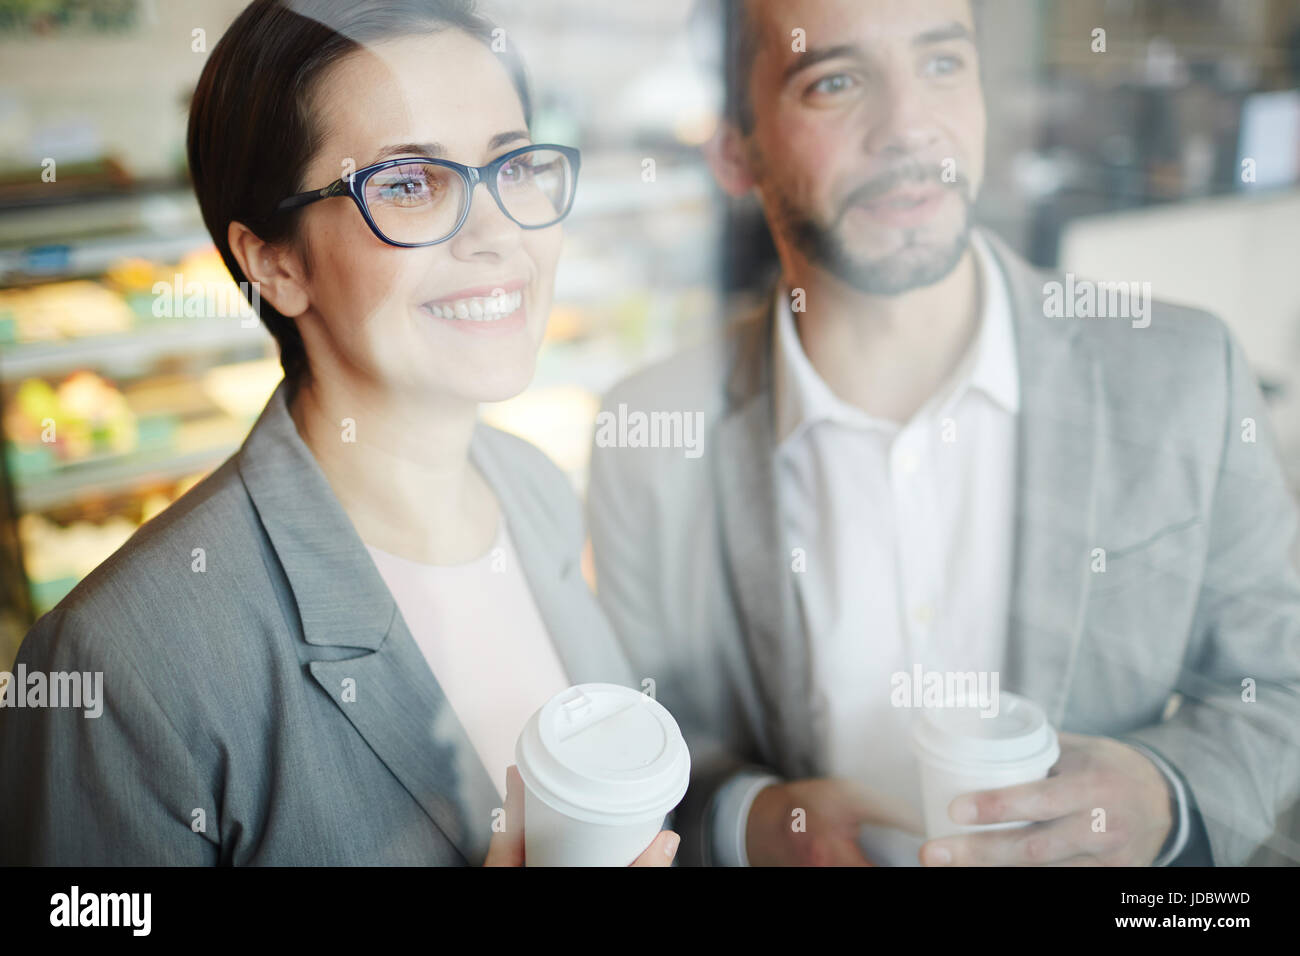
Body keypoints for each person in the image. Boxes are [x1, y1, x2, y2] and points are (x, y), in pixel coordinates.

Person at [587, 0, 1300, 866]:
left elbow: (1278, 689)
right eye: (836, 81)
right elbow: (639, 746)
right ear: (737, 150)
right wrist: (751, 822)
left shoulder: (1187, 373)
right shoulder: (647, 435)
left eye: (942, 63)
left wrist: (1171, 798)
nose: (910, 127)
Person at [0, 0, 676, 867]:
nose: (498, 231)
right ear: (274, 264)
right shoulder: (117, 668)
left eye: (513, 165)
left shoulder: (534, 489)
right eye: (405, 183)